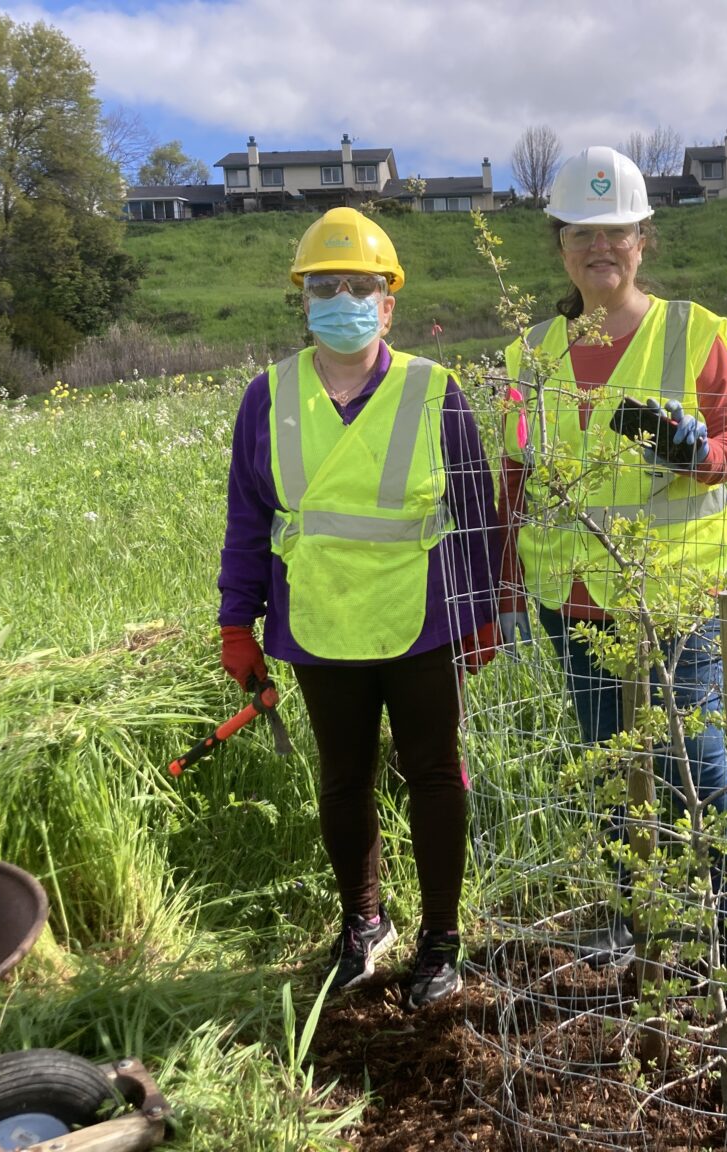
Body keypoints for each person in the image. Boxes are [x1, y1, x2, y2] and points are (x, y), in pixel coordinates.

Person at [217, 207, 499, 1008]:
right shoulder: (266, 397)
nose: (344, 298)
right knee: (345, 782)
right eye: (325, 286)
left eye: (361, 287)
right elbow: (248, 519)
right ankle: (364, 923)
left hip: (422, 620)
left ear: (390, 302)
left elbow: (478, 513)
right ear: (301, 300)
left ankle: (441, 941)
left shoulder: (432, 389)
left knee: (437, 776)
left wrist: (481, 611)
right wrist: (237, 621)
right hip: (318, 621)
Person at [496, 146, 727, 964]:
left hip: (672, 593)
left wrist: (698, 455)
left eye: (616, 231)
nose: (599, 248)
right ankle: (626, 907)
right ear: (560, 246)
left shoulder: (691, 331)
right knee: (606, 758)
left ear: (644, 238)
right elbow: (515, 472)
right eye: (581, 233)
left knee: (697, 757)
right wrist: (505, 584)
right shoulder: (529, 354)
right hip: (570, 595)